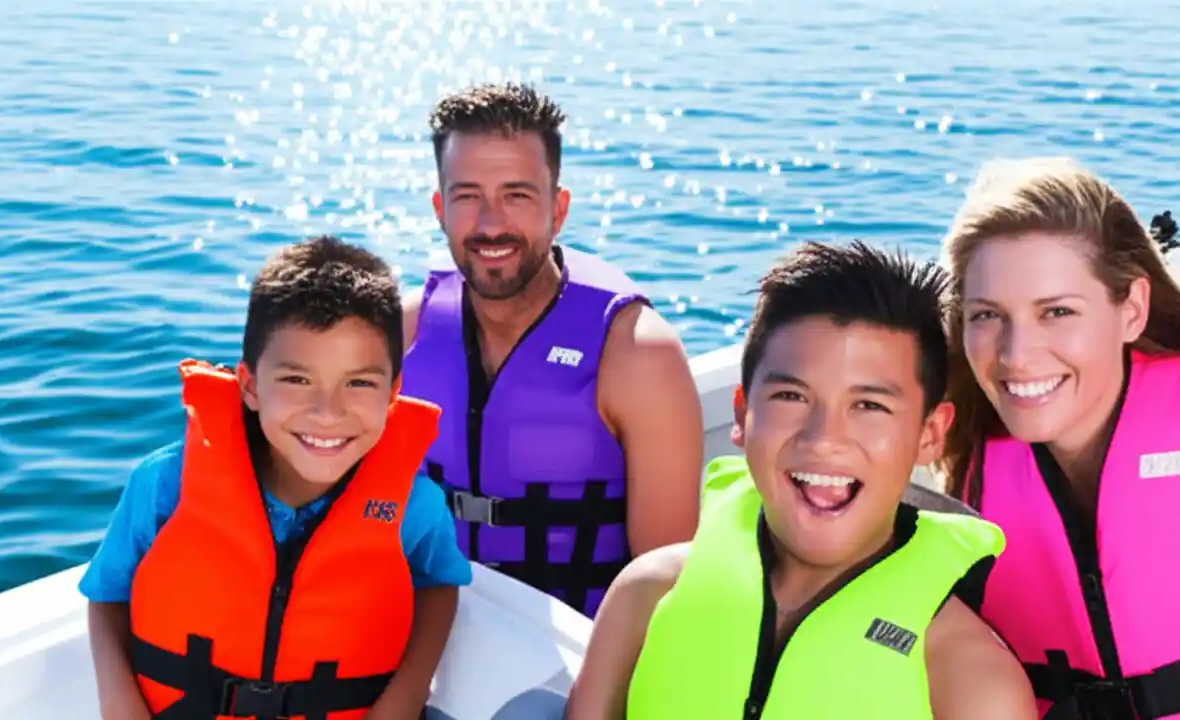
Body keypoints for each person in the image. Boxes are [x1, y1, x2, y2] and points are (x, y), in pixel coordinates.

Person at [566, 241, 1035, 719]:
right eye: (792, 396)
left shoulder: (971, 681)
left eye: (870, 406)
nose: (825, 439)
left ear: (929, 435)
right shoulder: (645, 597)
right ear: (742, 414)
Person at [80, 236, 472, 720]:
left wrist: (404, 699)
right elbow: (107, 597)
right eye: (297, 379)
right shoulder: (164, 486)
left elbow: (438, 584)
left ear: (392, 395)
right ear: (249, 386)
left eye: (358, 383)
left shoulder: (414, 506)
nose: (328, 413)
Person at [399, 82, 704, 618]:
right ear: (439, 208)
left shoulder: (636, 355)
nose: (491, 223)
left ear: (558, 209)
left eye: (517, 195)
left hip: (577, 658)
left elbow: (663, 592)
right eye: (468, 196)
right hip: (422, 637)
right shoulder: (402, 333)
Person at [938, 157, 1180, 720]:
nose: (1016, 354)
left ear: (1133, 310)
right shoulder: (963, 453)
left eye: (1057, 312)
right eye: (987, 315)